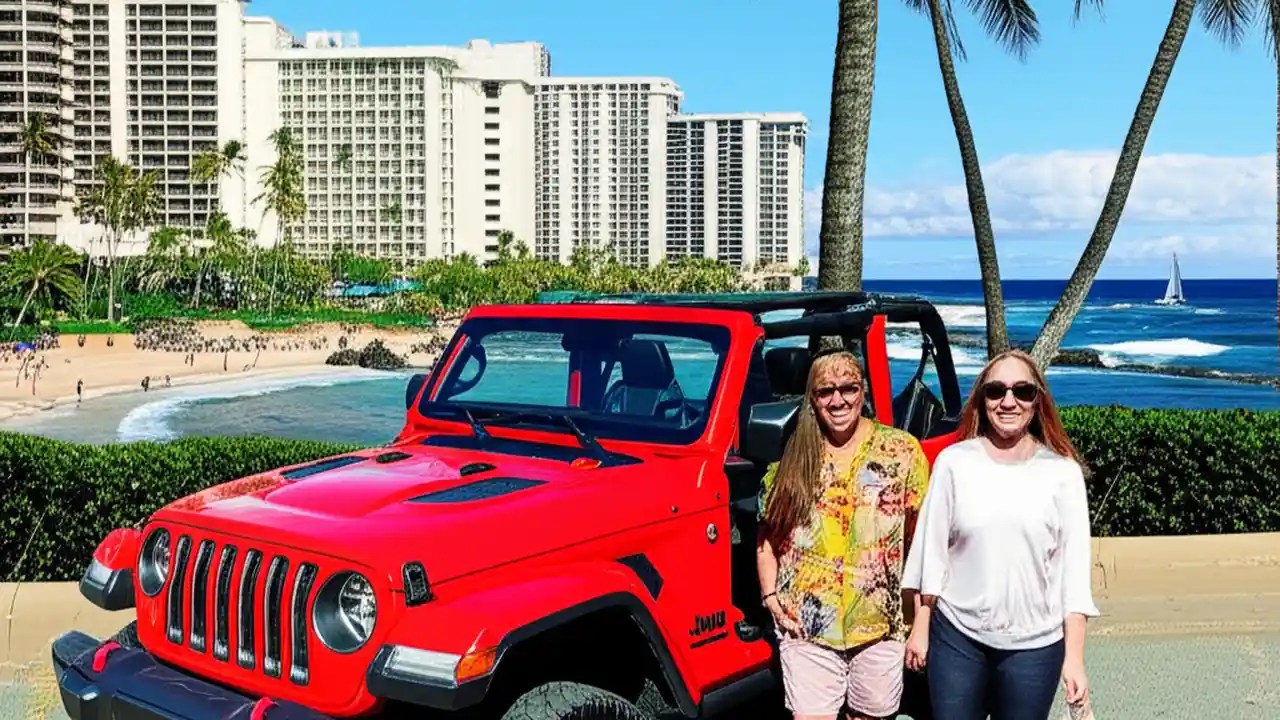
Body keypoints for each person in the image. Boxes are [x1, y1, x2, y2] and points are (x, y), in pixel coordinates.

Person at [901, 349, 1099, 720]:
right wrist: (921, 627)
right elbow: (930, 555)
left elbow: (1072, 578)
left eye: (1022, 391)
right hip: (957, 638)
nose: (1009, 401)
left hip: (1036, 647)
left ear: (1037, 401)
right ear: (982, 399)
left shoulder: (1063, 474)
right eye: (996, 391)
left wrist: (1075, 660)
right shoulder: (954, 463)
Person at [756, 349, 931, 720]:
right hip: (806, 626)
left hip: (881, 625)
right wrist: (770, 595)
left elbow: (923, 544)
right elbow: (766, 536)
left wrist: (921, 620)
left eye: (848, 387)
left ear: (863, 390)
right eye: (825, 392)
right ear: (812, 399)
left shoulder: (901, 451)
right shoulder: (794, 455)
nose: (838, 400)